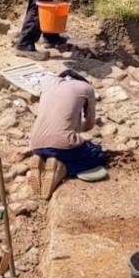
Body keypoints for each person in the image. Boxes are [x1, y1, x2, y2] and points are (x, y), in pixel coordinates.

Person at [29, 69, 107, 200]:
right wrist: (75, 128)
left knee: (55, 148)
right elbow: (89, 125)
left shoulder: (48, 82)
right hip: (62, 144)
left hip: (35, 144)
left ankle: (42, 161)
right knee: (97, 154)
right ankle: (63, 168)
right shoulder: (86, 88)